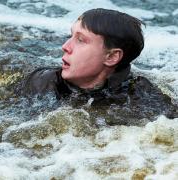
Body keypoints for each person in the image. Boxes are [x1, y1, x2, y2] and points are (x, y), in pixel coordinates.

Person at [21, 8, 178, 125]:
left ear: (111, 57)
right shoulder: (41, 82)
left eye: (81, 40)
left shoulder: (143, 98)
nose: (65, 46)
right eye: (71, 36)